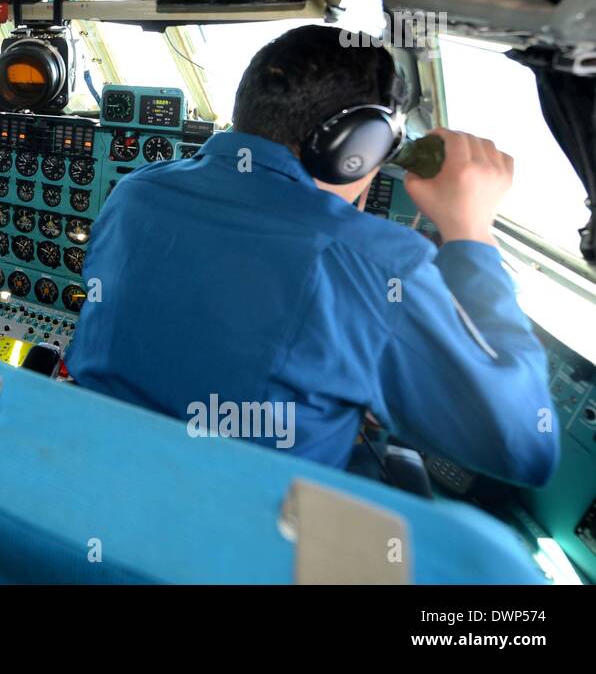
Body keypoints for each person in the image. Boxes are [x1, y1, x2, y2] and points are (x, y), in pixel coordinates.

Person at [67, 25, 559, 487]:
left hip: (93, 477)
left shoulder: (136, 193)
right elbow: (525, 450)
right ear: (358, 145)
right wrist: (470, 233)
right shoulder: (378, 262)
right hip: (241, 529)